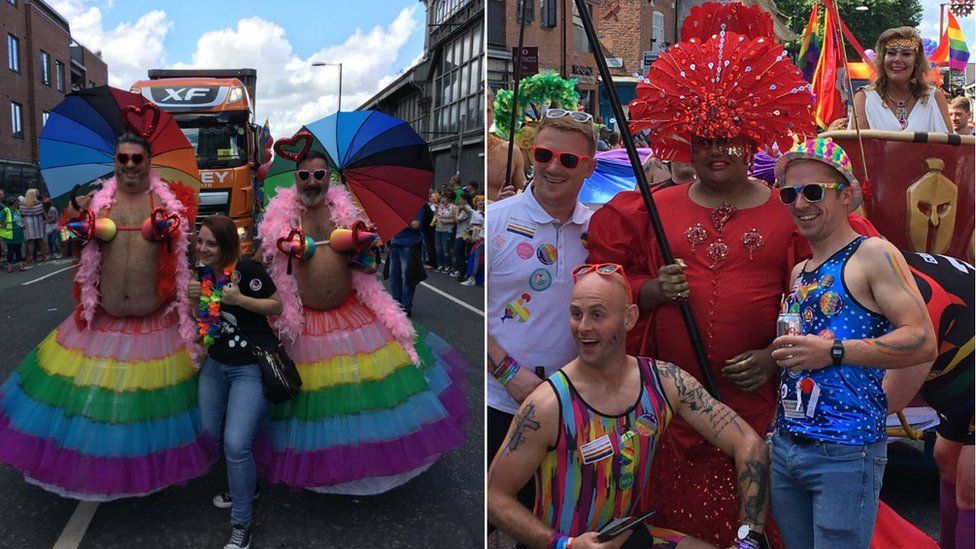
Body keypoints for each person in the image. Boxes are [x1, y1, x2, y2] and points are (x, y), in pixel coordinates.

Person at [588, 5, 817, 543]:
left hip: (757, 407)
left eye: (731, 136)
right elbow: (597, 282)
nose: (718, 150)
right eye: (706, 137)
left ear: (754, 141)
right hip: (671, 412)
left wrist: (772, 359)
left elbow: (820, 302)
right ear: (688, 143)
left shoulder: (793, 213)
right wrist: (646, 290)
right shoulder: (648, 208)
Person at [488, 265, 771, 549]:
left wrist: (748, 540)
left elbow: (749, 444)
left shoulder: (664, 381)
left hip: (627, 539)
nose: (584, 327)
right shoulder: (548, 404)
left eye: (597, 315)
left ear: (629, 318)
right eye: (576, 314)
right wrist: (565, 544)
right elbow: (493, 497)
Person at [0, 132, 211, 500]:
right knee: (98, 407)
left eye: (136, 159)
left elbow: (190, 258)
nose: (129, 165)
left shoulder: (170, 205)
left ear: (149, 162)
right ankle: (104, 473)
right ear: (115, 162)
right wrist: (76, 218)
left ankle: (145, 474)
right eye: (123, 158)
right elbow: (71, 252)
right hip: (103, 321)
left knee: (149, 408)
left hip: (156, 324)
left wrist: (199, 282)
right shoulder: (97, 204)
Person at [256, 149, 468, 495]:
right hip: (301, 322)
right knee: (311, 403)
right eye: (304, 176)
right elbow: (266, 265)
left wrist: (362, 247)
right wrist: (277, 250)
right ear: (295, 179)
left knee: (356, 395)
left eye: (319, 175)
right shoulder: (280, 218)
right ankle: (323, 467)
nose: (312, 182)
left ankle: (362, 467)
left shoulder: (344, 212)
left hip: (351, 315)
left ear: (330, 178)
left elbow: (368, 269)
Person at [769, 137, 937, 548]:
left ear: (847, 195)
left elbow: (921, 340)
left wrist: (834, 352)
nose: (800, 203)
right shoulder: (800, 272)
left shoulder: (873, 254)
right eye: (790, 193)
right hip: (788, 445)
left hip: (845, 450)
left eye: (813, 191)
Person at [487, 108, 597, 530]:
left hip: (576, 407)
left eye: (568, 160)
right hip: (504, 404)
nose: (553, 167)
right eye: (544, 154)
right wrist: (507, 372)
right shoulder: (497, 220)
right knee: (496, 518)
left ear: (588, 166)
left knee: (557, 523)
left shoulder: (599, 228)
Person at [187, 215, 281, 549]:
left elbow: (277, 305)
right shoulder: (201, 273)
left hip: (249, 368)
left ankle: (241, 524)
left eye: (211, 243)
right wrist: (191, 296)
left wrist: (240, 300)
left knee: (236, 443)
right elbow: (202, 320)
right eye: (200, 241)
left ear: (227, 245)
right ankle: (247, 483)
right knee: (209, 435)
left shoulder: (249, 271)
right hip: (215, 365)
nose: (203, 248)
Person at [881, 251, 974, 549]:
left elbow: (890, 398)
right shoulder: (880, 265)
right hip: (959, 375)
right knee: (946, 459)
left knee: (971, 482)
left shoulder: (914, 293)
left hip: (960, 368)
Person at [851, 27, 952, 132]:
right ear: (882, 59)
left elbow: (950, 145)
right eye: (891, 53)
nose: (897, 59)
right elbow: (857, 146)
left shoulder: (934, 97)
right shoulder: (864, 97)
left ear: (917, 61)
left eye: (906, 54)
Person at [385, 204, 427, 317]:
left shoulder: (417, 204)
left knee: (407, 278)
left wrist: (398, 221)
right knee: (393, 277)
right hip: (396, 244)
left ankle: (406, 307)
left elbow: (415, 224)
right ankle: (396, 304)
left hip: (410, 245)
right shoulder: (395, 204)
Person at [487, 88, 526, 203]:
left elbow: (523, 194)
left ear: (493, 114)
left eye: (488, 111)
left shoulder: (511, 151)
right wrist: (493, 204)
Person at [19, 188, 47, 264]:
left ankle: (31, 258)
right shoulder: (38, 202)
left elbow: (21, 213)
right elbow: (41, 211)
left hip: (28, 223)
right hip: (38, 223)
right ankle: (44, 257)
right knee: (41, 241)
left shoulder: (22, 203)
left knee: (30, 242)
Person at [452, 193, 475, 278]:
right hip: (462, 233)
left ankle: (461, 270)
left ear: (465, 200)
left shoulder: (466, 208)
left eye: (461, 199)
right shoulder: (465, 208)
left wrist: (456, 211)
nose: (459, 200)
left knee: (457, 252)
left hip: (463, 233)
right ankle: (462, 270)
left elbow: (457, 220)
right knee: (461, 253)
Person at [434, 192, 458, 273]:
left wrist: (447, 221)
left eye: (444, 197)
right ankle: (440, 264)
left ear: (449, 198)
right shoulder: (440, 206)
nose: (443, 199)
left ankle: (447, 265)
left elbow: (456, 220)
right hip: (438, 229)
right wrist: (436, 211)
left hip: (447, 230)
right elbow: (437, 216)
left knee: (445, 249)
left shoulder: (454, 207)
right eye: (442, 197)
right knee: (438, 248)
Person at [1, 198, 25, 272]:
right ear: (13, 203)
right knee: (10, 251)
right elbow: (0, 219)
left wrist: (23, 225)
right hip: (11, 235)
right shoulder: (6, 211)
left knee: (18, 250)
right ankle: (9, 267)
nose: (18, 204)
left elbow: (20, 221)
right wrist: (3, 224)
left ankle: (20, 266)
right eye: (17, 203)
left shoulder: (17, 211)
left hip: (18, 233)